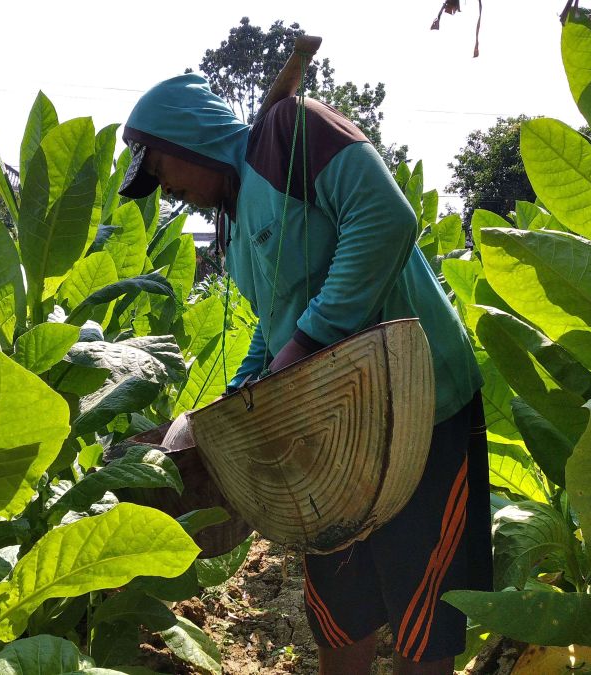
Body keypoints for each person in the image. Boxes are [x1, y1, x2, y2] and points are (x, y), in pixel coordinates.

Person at [118, 72, 490, 675]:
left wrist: (311, 340)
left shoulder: (288, 133)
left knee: (421, 603)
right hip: (328, 427)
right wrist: (224, 411)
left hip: (420, 404)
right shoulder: (232, 222)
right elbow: (274, 328)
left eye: (163, 170)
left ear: (190, 142)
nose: (169, 190)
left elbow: (386, 219)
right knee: (338, 599)